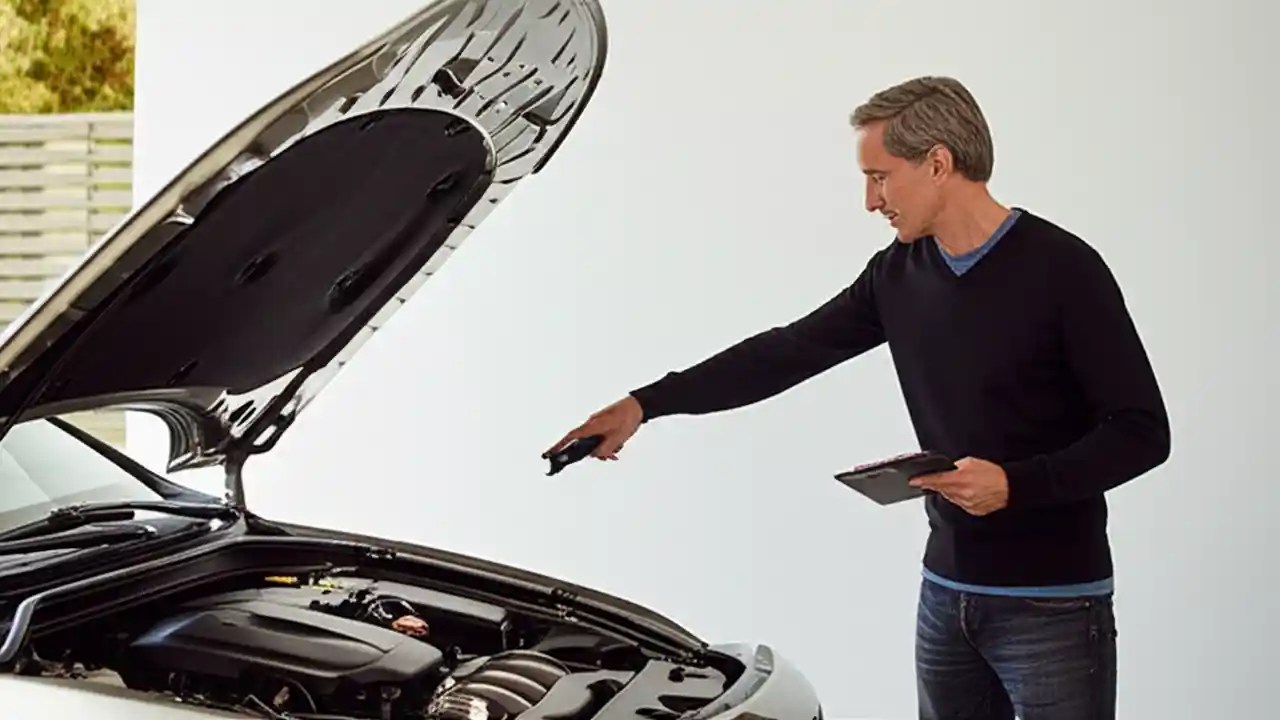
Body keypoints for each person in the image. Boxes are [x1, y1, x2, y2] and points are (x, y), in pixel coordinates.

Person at [544, 75, 1170, 719]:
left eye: (880, 176)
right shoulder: (898, 275)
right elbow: (787, 352)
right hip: (946, 597)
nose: (871, 201)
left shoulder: (1064, 269)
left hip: (1054, 604)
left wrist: (1017, 484)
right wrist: (645, 404)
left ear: (937, 163)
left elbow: (1143, 430)